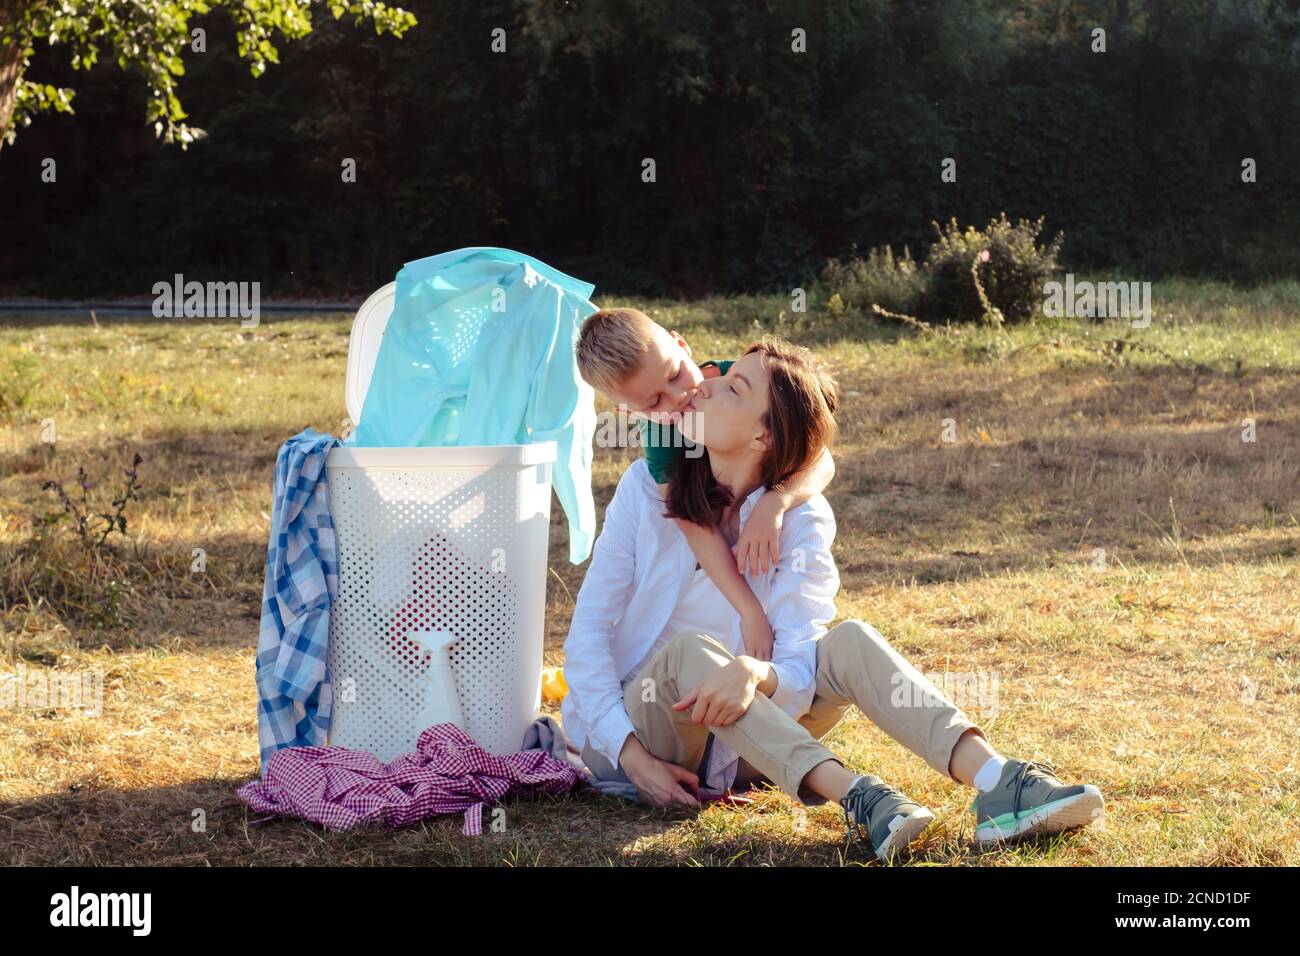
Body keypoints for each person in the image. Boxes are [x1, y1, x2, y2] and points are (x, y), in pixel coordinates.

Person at [562, 335, 1104, 861]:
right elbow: (586, 637)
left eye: (734, 388)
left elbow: (798, 665)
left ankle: (998, 782)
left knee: (849, 641)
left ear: (762, 439)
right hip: (643, 734)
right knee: (689, 652)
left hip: (741, 749)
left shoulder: (801, 519)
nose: (705, 385)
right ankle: (862, 798)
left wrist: (755, 673)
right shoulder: (643, 489)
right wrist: (631, 756)